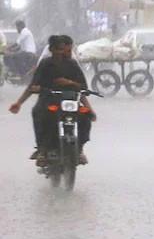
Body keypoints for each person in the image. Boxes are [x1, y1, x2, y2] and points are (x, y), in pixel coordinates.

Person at [8, 35, 95, 165]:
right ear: (53, 49)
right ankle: (42, 149)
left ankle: (80, 149)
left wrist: (69, 84)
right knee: (38, 113)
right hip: (48, 99)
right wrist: (19, 103)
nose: (65, 53)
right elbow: (33, 86)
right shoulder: (45, 64)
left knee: (85, 116)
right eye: (61, 50)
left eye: (67, 50)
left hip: (70, 101)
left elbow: (82, 89)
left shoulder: (72, 64)